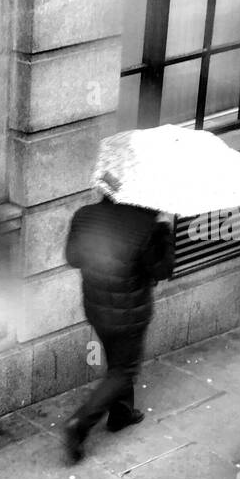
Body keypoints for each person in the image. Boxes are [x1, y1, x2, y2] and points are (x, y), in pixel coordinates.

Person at [61, 190, 175, 463]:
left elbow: (73, 258)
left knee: (117, 361)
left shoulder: (85, 215)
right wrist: (166, 235)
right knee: (124, 371)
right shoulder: (148, 226)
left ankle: (122, 413)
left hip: (96, 308)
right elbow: (161, 270)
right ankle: (80, 422)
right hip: (130, 314)